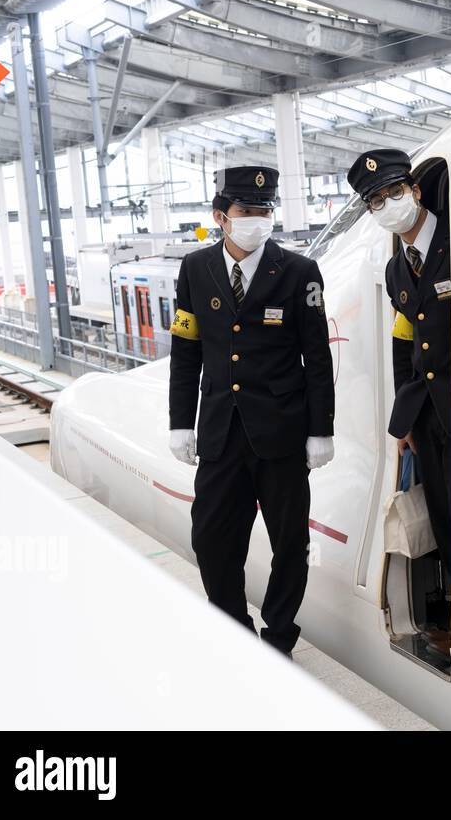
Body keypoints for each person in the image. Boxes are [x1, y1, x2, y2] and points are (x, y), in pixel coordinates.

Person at [166, 166, 335, 657]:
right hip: (220, 432)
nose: (258, 219)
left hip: (281, 434)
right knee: (212, 538)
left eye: (265, 210)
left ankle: (279, 636)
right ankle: (235, 628)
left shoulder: (300, 272)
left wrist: (320, 429)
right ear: (221, 216)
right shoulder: (195, 270)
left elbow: (317, 356)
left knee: (289, 544)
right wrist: (180, 421)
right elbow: (186, 351)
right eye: (246, 211)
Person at [345, 149, 451, 649]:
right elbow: (403, 340)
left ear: (414, 190)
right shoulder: (396, 270)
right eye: (376, 201)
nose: (388, 205)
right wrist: (403, 422)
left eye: (393, 192)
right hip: (429, 414)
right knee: (445, 513)